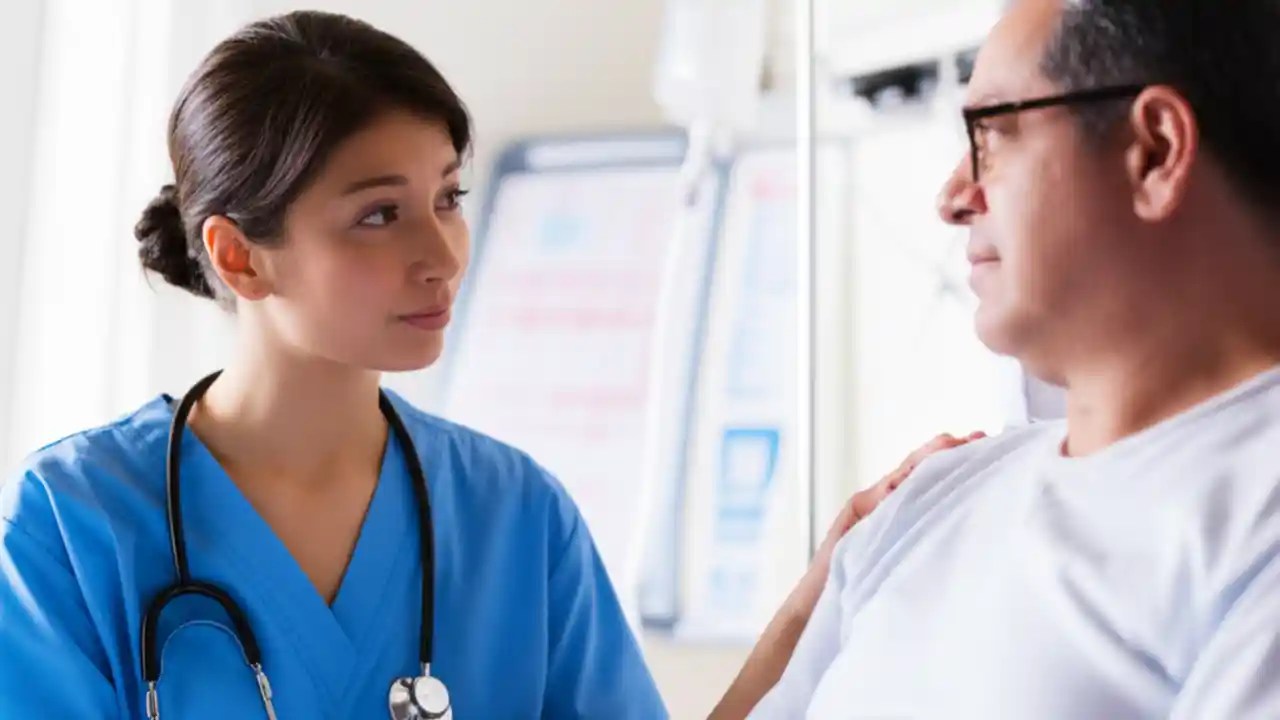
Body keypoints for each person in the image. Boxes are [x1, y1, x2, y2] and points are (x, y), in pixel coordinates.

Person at [0, 11, 669, 718]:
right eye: (380, 215)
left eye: (448, 199)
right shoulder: (76, 522)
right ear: (239, 256)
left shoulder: (518, 517)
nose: (442, 256)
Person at [714, 0, 1280, 718]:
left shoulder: (1254, 522)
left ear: (1154, 151)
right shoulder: (925, 503)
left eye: (992, 134)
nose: (952, 198)